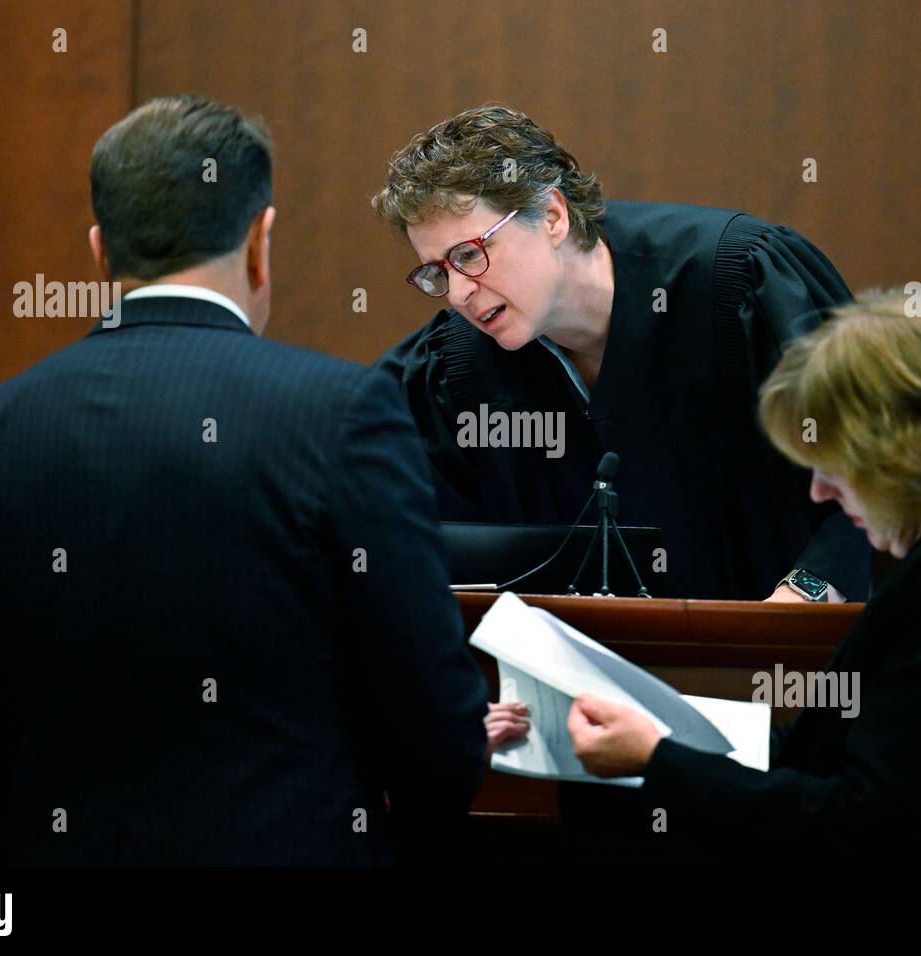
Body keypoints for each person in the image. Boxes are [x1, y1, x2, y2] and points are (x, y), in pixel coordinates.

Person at [0, 94, 488, 866]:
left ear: (100, 251)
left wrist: (49, 796)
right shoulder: (345, 413)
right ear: (260, 240)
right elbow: (437, 728)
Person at [562, 292, 921, 863]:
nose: (818, 492)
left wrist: (657, 758)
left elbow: (868, 824)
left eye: (832, 465)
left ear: (899, 451)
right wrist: (659, 732)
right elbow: (825, 757)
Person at [372, 105, 871, 604]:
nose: (458, 293)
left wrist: (800, 599)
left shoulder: (735, 283)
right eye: (437, 272)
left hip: (792, 641)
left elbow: (878, 465)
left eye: (468, 254)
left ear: (552, 216)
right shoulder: (458, 368)